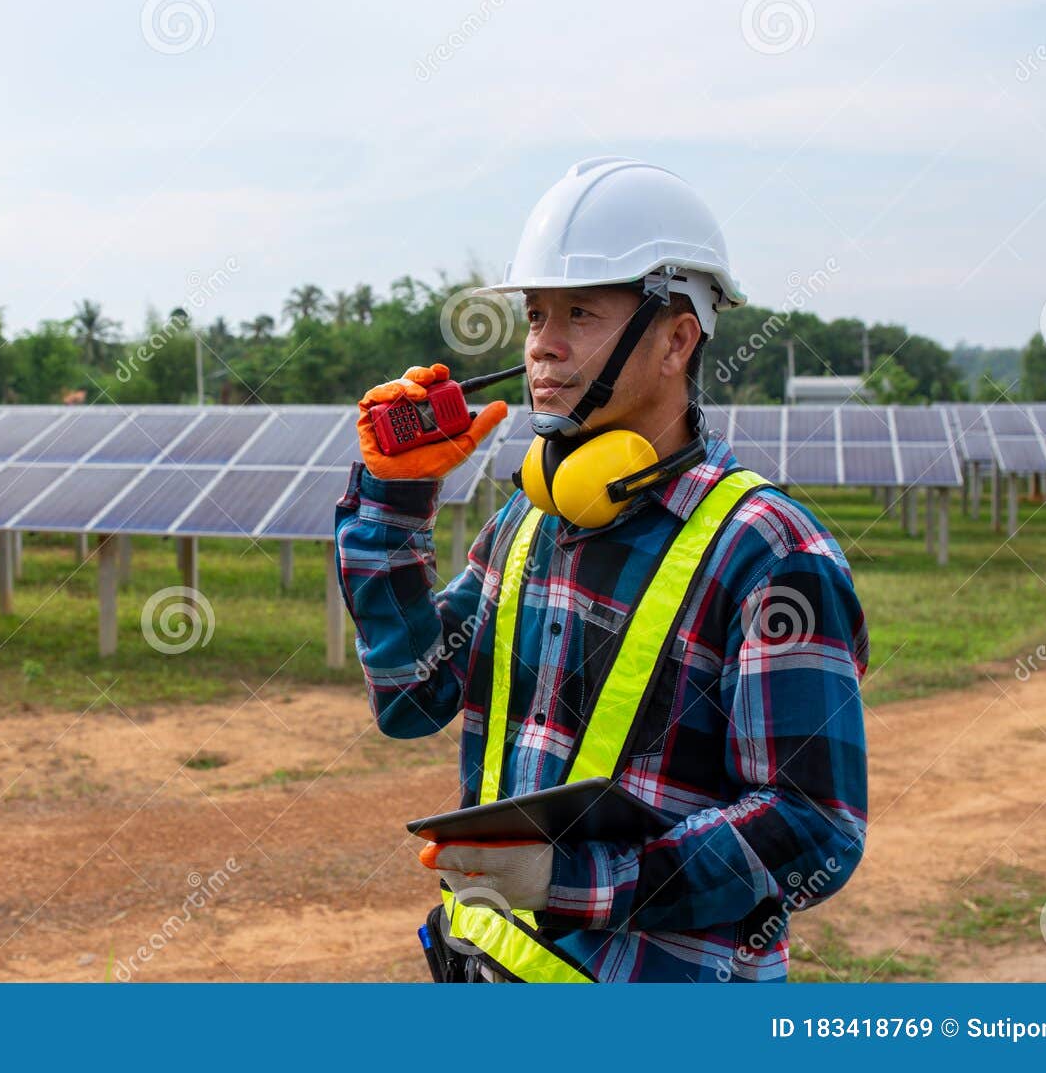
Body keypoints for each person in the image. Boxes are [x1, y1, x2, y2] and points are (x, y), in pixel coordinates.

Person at [333, 157, 869, 982]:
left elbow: (815, 829)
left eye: (579, 312)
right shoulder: (530, 519)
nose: (543, 343)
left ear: (678, 338)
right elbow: (410, 698)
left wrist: (568, 879)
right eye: (536, 313)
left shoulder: (770, 552)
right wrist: (391, 506)